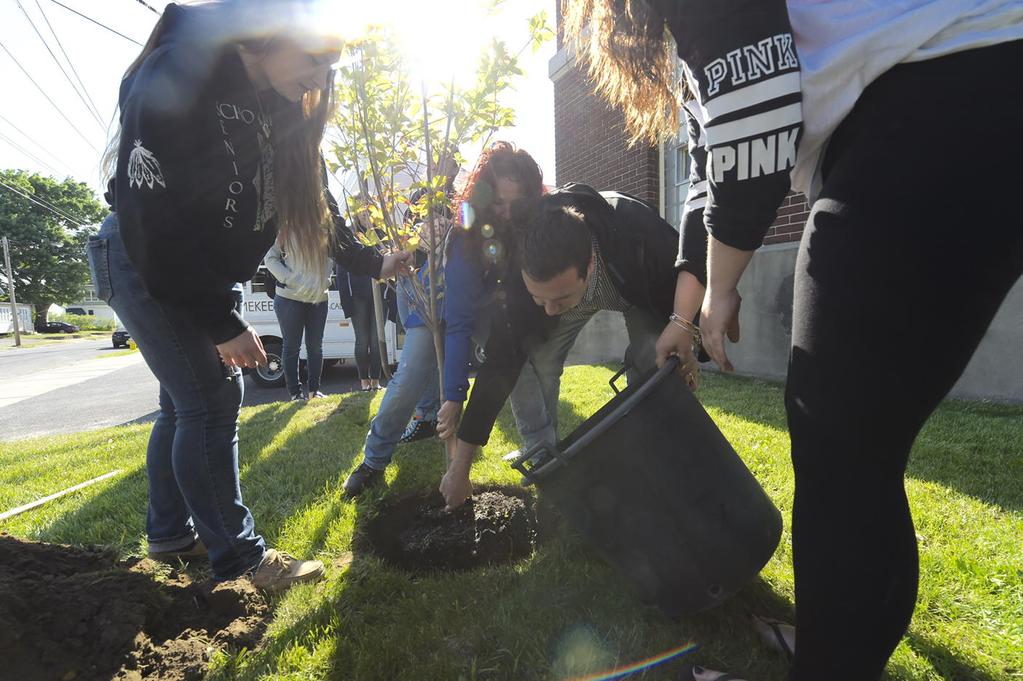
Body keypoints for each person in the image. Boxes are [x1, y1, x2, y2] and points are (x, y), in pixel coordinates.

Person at [563, 1, 1023, 679]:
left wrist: (723, 289)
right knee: (855, 453)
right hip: (956, 100)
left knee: (839, 453)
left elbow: (757, 108)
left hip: (934, 100)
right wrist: (683, 319)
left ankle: (832, 657)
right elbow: (712, 166)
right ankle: (836, 645)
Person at [87, 0, 410, 592]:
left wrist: (375, 262)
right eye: (313, 60)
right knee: (213, 398)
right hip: (145, 257)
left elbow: (316, 206)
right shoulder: (182, 68)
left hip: (193, 271)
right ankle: (241, 561)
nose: (319, 80)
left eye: (329, 67)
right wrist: (220, 321)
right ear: (269, 33)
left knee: (182, 403)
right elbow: (150, 212)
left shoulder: (279, 106)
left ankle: (169, 536)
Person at [437, 183, 700, 508]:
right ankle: (546, 456)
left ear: (589, 264)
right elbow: (499, 363)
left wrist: (688, 332)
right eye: (539, 299)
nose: (549, 311)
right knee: (540, 360)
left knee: (652, 360)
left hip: (635, 290)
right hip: (578, 296)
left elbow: (695, 265)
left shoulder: (636, 232)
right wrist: (460, 469)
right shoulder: (524, 277)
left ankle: (658, 457)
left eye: (557, 299)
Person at [345, 142, 548, 498]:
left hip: (482, 304)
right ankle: (373, 461)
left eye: (516, 204)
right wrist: (454, 396)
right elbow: (458, 322)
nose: (506, 213)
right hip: (435, 301)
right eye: (499, 203)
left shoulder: (527, 231)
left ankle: (542, 455)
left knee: (520, 365)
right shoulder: (465, 232)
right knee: (410, 377)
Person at [264, 232, 332, 400]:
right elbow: (270, 258)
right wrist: (290, 279)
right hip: (289, 297)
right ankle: (295, 394)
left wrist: (324, 280)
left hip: (319, 297)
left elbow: (330, 257)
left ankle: (314, 391)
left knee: (315, 346)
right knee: (291, 347)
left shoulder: (324, 230)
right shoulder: (285, 230)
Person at [337, 213, 385, 391]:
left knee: (377, 341)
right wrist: (346, 301)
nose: (366, 216)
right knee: (362, 340)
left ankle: (376, 381)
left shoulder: (381, 234)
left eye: (369, 212)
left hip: (379, 295)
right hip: (357, 297)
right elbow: (341, 272)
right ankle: (364, 382)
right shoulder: (349, 235)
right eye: (362, 213)